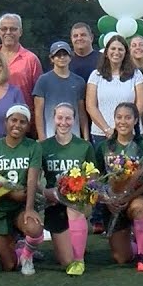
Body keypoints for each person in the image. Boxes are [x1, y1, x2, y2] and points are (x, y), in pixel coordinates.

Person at [0, 104, 43, 274]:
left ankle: (27, 254)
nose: (17, 125)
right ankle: (18, 245)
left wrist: (29, 208)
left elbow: (32, 179)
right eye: (13, 120)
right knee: (9, 266)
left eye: (23, 122)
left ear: (28, 126)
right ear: (5, 122)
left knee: (34, 228)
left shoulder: (33, 147)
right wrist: (11, 193)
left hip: (21, 207)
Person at [38, 102, 98, 276]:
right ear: (54, 119)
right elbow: (34, 178)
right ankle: (74, 244)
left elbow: (93, 177)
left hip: (76, 204)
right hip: (54, 204)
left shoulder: (84, 146)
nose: (63, 122)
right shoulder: (43, 147)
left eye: (68, 118)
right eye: (60, 118)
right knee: (65, 260)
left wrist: (82, 192)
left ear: (74, 120)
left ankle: (80, 258)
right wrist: (45, 192)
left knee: (74, 208)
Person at [94, 102, 143, 270]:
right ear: (114, 119)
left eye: (128, 117)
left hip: (136, 196)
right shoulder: (103, 147)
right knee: (121, 258)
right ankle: (138, 242)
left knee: (139, 209)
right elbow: (97, 178)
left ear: (135, 121)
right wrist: (108, 199)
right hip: (112, 202)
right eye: (119, 117)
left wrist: (129, 196)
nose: (123, 121)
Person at [86, 35, 143, 143]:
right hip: (101, 134)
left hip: (130, 133)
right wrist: (107, 129)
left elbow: (141, 104)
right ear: (106, 52)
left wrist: (125, 128)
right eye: (113, 48)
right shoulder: (96, 75)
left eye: (120, 49)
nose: (116, 52)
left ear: (125, 53)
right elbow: (91, 106)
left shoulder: (136, 74)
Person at [0, 13, 44, 127]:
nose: (8, 32)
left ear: (20, 32)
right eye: (4, 29)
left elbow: (39, 98)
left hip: (23, 124)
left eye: (13, 29)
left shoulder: (31, 60)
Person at [32, 41, 87, 142]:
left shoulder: (79, 81)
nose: (62, 58)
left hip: (74, 138)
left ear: (70, 57)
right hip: (50, 137)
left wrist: (86, 138)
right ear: (52, 58)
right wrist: (42, 138)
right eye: (58, 55)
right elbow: (38, 113)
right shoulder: (43, 81)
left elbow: (81, 112)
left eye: (65, 54)